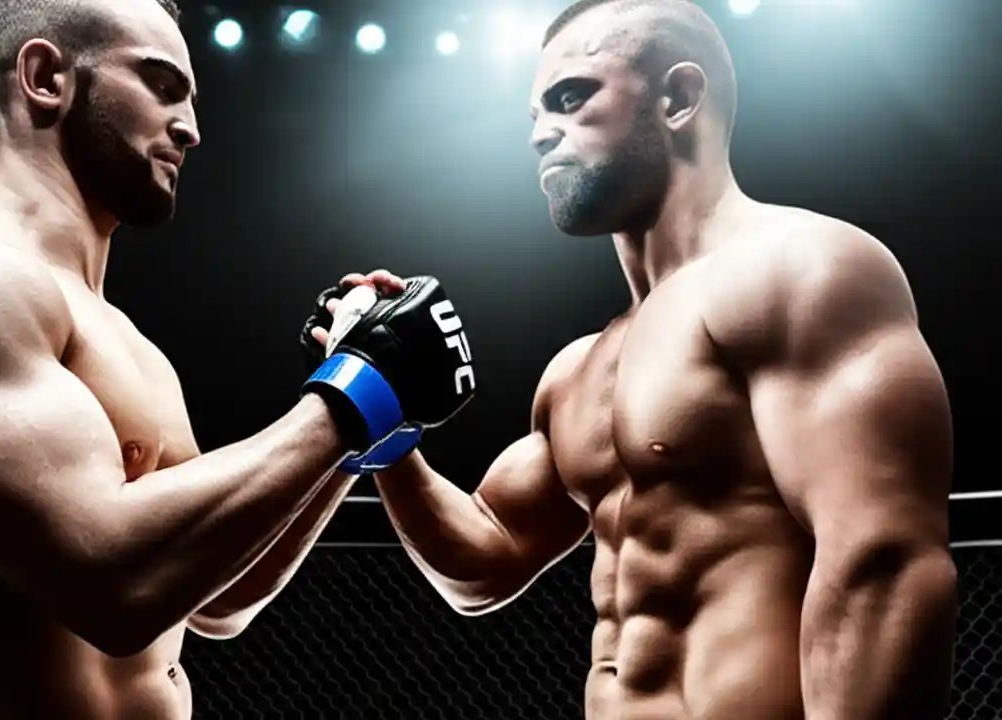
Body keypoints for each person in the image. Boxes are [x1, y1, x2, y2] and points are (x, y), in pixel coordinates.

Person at [0, 0, 473, 717]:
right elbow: (111, 592)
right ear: (44, 77)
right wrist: (354, 395)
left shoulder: (134, 349)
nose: (192, 129)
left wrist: (362, 428)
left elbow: (218, 598)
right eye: (162, 85)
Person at [305, 1, 957, 717]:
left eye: (571, 97)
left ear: (678, 98)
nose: (540, 135)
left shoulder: (802, 270)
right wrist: (380, 409)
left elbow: (885, 562)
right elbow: (484, 565)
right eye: (533, 115)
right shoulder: (577, 372)